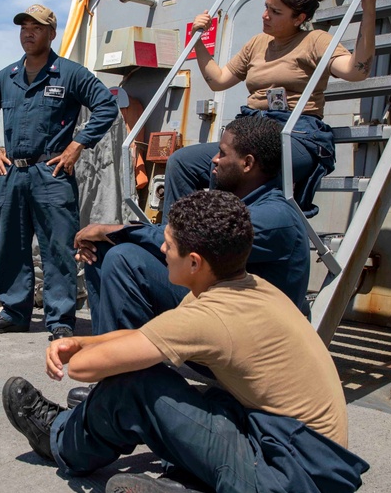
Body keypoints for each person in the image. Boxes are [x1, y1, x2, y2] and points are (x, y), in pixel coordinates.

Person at [2, 190, 369, 493]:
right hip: (304, 457)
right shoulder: (247, 286)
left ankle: (60, 440)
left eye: (168, 244)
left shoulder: (208, 318)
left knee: (135, 386)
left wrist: (72, 355)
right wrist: (85, 343)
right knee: (206, 398)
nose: (162, 251)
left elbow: (83, 371)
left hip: (287, 484)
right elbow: (143, 335)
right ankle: (200, 487)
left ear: (194, 263)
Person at [75, 114, 309, 340]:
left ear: (247, 163)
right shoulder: (238, 206)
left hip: (248, 340)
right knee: (102, 251)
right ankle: (111, 366)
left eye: (222, 153)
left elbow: (188, 239)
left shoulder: (274, 218)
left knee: (123, 256)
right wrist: (109, 235)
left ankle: (127, 376)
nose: (213, 160)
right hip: (223, 316)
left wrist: (116, 231)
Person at [167, 0, 381, 217]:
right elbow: (218, 80)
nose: (265, 15)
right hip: (252, 130)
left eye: (276, 12)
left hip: (296, 133)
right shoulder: (258, 43)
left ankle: (219, 240)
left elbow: (356, 71)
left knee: (233, 167)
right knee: (182, 162)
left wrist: (369, 8)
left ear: (299, 18)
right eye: (266, 7)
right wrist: (198, 40)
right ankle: (175, 239)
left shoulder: (316, 41)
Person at [0, 4, 119, 340]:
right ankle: (14, 312)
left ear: (52, 33)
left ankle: (60, 320)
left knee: (58, 248)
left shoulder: (69, 73)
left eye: (36, 27)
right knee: (11, 245)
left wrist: (78, 144)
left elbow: (105, 105)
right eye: (24, 26)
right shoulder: (6, 76)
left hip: (51, 173)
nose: (28, 32)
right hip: (13, 175)